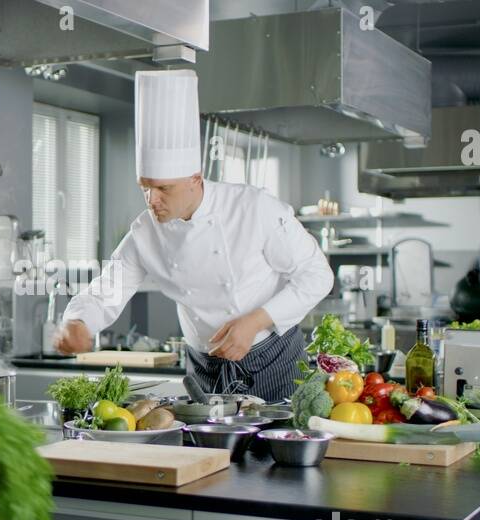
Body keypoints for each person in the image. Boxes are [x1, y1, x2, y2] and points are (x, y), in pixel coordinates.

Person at [55, 70, 333, 402]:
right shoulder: (145, 233)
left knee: (281, 450)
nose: (151, 200)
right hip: (204, 369)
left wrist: (256, 321)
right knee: (207, 454)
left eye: (163, 188)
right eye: (145, 187)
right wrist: (77, 322)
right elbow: (106, 292)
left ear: (195, 178)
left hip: (274, 361)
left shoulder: (253, 208)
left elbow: (318, 275)